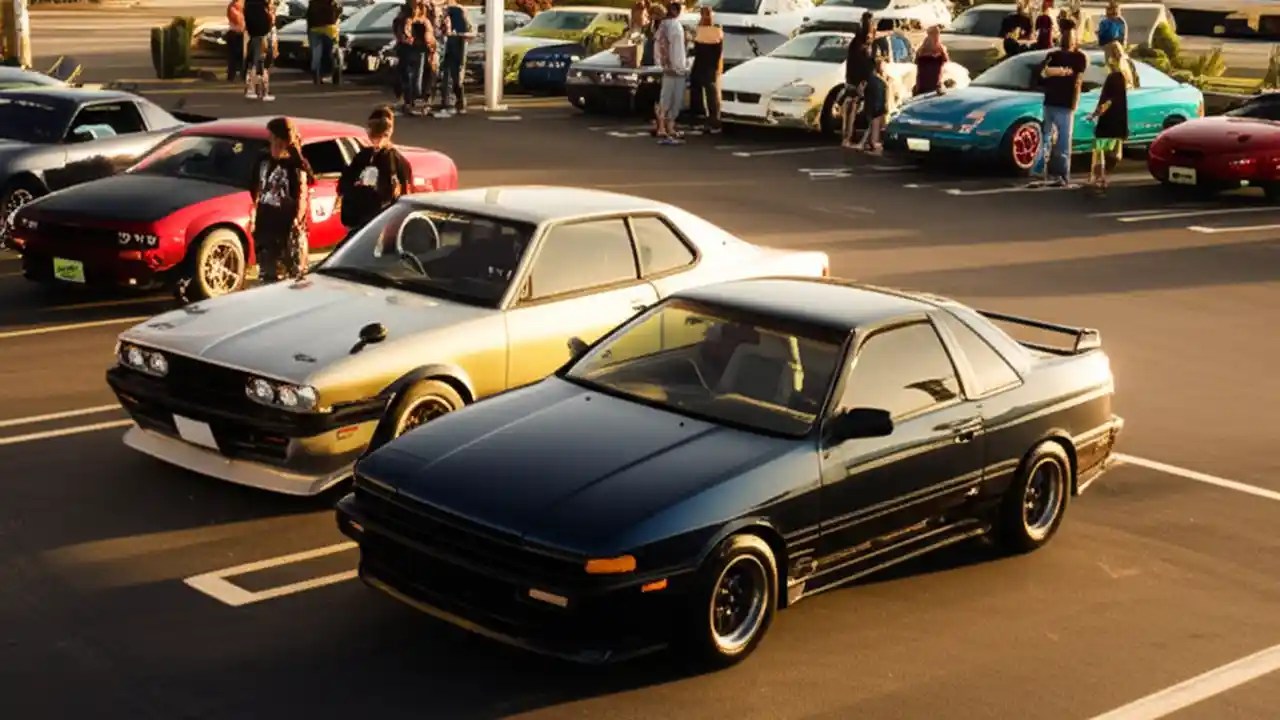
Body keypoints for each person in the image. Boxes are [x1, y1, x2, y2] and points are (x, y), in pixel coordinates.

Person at [250, 117, 314, 284]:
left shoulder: (295, 165)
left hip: (288, 228)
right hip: (266, 225)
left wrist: (293, 150)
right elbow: (254, 188)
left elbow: (307, 184)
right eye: (271, 139)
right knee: (268, 277)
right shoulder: (263, 160)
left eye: (276, 139)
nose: (272, 142)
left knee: (294, 278)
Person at [337, 106, 414, 233]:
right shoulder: (363, 156)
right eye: (373, 137)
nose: (376, 141)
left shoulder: (394, 160)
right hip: (359, 216)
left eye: (379, 137)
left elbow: (403, 192)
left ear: (387, 134)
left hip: (381, 218)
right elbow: (345, 180)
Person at [1037, 24, 1087, 187]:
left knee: (1047, 138)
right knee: (1063, 142)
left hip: (1052, 101)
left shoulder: (1054, 56)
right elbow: (1076, 74)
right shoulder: (1079, 57)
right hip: (1065, 104)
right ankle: (1061, 175)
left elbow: (1041, 75)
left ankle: (1043, 172)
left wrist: (1053, 71)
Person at [1087, 41, 1131, 191]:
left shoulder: (1114, 77)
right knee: (1111, 151)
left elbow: (1108, 100)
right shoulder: (1124, 75)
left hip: (1108, 119)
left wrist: (1095, 114)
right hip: (1119, 118)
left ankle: (1098, 178)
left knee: (1099, 149)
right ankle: (1103, 178)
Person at [654, 1, 687, 145]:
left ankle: (670, 126)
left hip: (679, 67)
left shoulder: (674, 25)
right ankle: (661, 127)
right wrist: (666, 63)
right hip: (671, 68)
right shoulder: (667, 26)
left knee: (676, 99)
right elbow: (662, 46)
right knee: (667, 98)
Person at [689, 5, 723, 134]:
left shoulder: (706, 30)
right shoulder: (715, 30)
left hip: (705, 64)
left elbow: (698, 48)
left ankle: (710, 120)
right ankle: (707, 119)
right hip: (707, 64)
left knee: (708, 92)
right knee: (704, 91)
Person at [440, 0, 473, 115]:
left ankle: (455, 101)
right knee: (451, 77)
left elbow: (469, 33)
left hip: (455, 51)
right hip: (452, 50)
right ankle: (450, 101)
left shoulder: (456, 12)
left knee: (454, 77)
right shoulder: (455, 14)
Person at [841, 31, 873, 149]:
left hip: (851, 83)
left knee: (849, 109)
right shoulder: (863, 54)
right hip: (857, 84)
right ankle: (848, 137)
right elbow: (867, 68)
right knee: (852, 110)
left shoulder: (852, 52)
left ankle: (846, 137)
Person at [857, 55, 890, 155]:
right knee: (875, 124)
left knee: (872, 125)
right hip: (878, 108)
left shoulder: (866, 80)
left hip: (870, 107)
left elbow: (860, 92)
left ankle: (868, 142)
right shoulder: (881, 82)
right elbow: (884, 98)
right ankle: (872, 143)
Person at [243, 0, 276, 100]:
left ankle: (255, 89)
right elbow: (269, 23)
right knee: (260, 64)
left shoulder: (249, 5)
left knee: (255, 63)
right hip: (262, 37)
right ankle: (258, 90)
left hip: (254, 35)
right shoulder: (262, 7)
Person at [306, 0, 342, 85]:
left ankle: (316, 76)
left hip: (314, 29)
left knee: (316, 53)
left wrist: (309, 31)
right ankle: (332, 73)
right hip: (330, 29)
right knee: (332, 52)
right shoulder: (332, 2)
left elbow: (309, 17)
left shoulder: (313, 3)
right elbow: (338, 12)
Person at [913, 24, 948, 96]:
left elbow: (945, 60)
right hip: (926, 84)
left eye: (937, 33)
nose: (937, 35)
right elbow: (945, 60)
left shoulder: (922, 49)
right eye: (935, 33)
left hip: (931, 84)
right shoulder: (922, 49)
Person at [226, 0, 246, 82]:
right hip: (235, 33)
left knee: (241, 56)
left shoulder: (240, 5)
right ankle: (232, 75)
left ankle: (240, 75)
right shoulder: (234, 6)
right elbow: (237, 19)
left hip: (240, 33)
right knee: (234, 56)